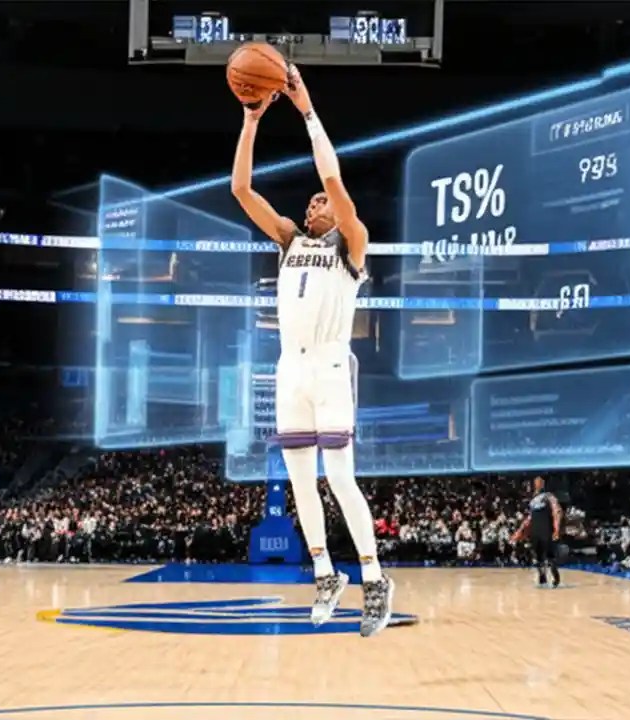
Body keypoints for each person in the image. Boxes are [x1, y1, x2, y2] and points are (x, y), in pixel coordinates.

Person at [229, 64, 392, 637]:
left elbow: (334, 180)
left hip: (329, 364)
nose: (313, 205)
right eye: (311, 202)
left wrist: (306, 112)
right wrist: (251, 120)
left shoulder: (352, 243)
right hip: (289, 367)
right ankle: (326, 574)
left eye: (321, 202)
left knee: (340, 479)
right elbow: (241, 189)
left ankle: (375, 579)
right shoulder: (288, 240)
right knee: (300, 481)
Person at [513, 476, 562, 588]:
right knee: (538, 558)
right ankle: (542, 580)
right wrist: (520, 532)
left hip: (546, 529)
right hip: (535, 531)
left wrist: (556, 528)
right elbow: (529, 519)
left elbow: (556, 511)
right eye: (536, 482)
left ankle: (556, 579)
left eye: (539, 482)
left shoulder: (549, 496)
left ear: (543, 484)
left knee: (550, 558)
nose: (537, 484)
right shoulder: (532, 501)